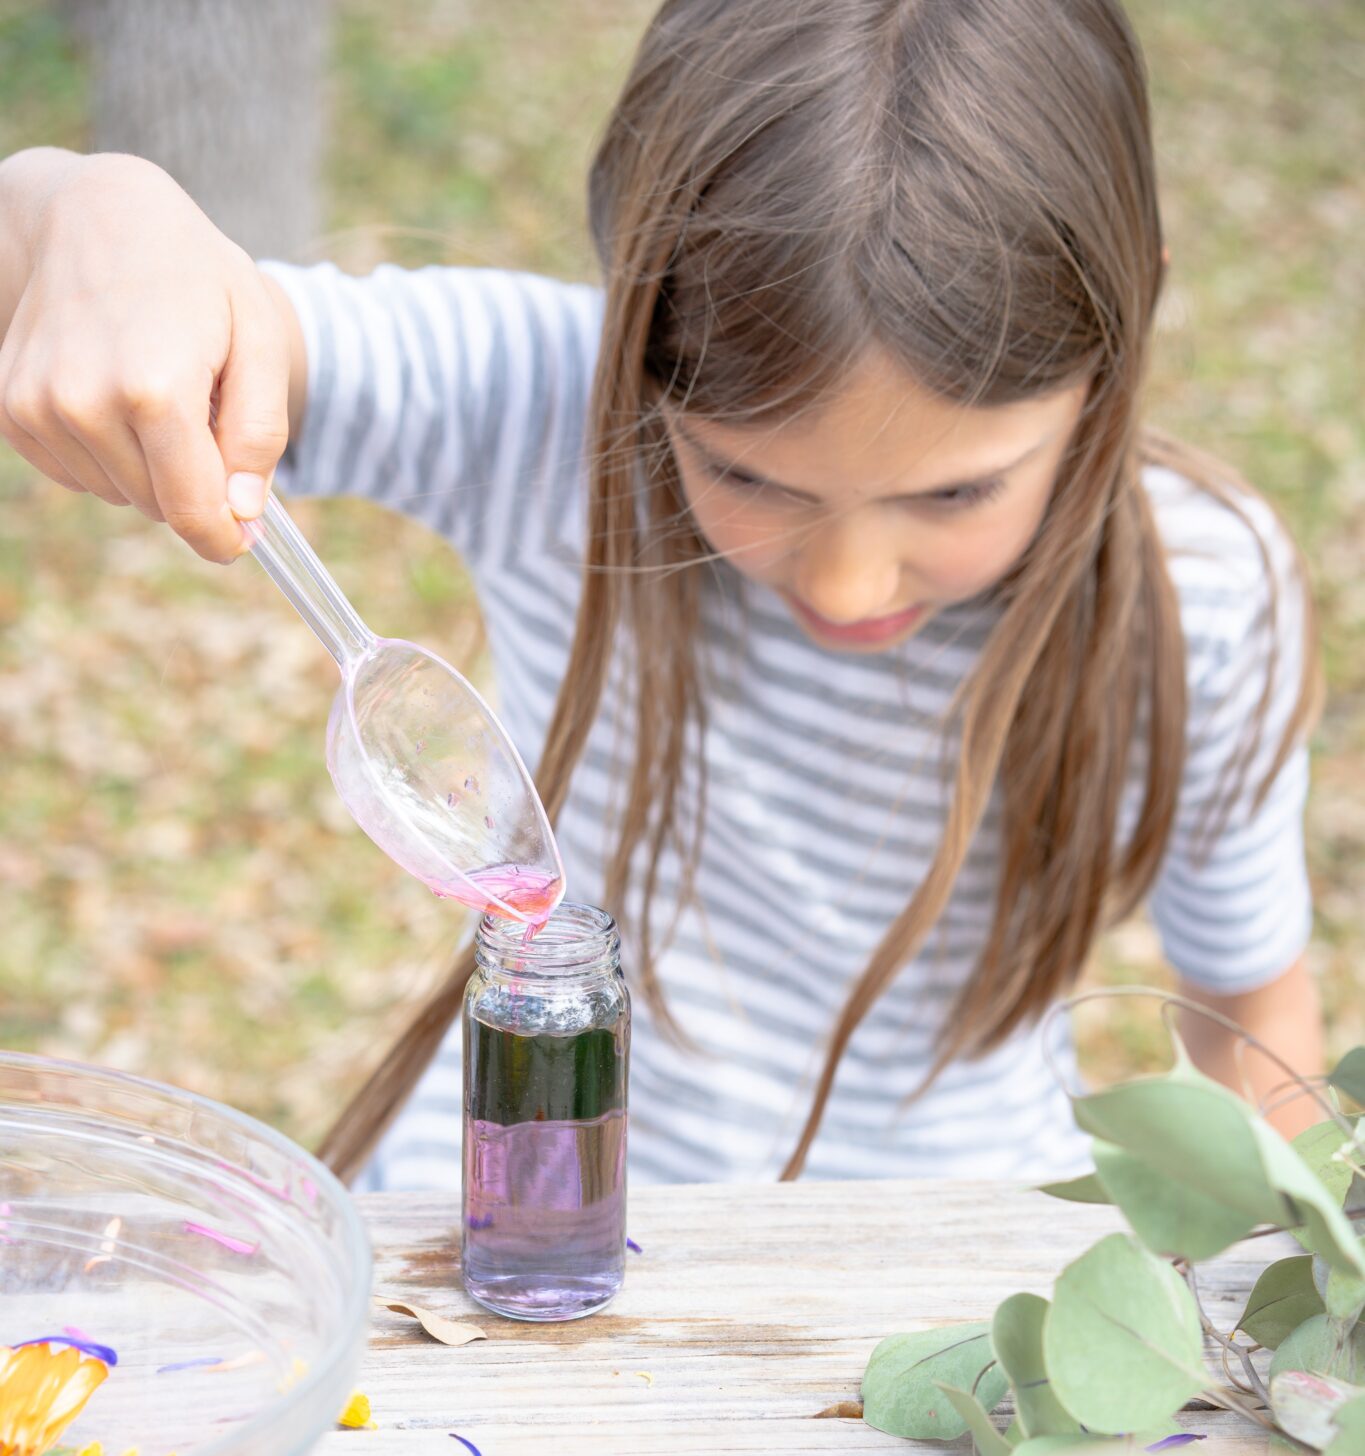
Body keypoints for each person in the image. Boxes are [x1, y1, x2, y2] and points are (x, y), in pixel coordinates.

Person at [0, 0, 1323, 1193]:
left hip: (948, 1287)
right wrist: (80, 205)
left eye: (952, 496)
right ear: (634, 326)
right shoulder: (542, 406)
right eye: (750, 475)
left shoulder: (1204, 593)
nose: (848, 580)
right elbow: (178, 309)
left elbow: (1252, 1030)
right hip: (502, 1218)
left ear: (1129, 318)